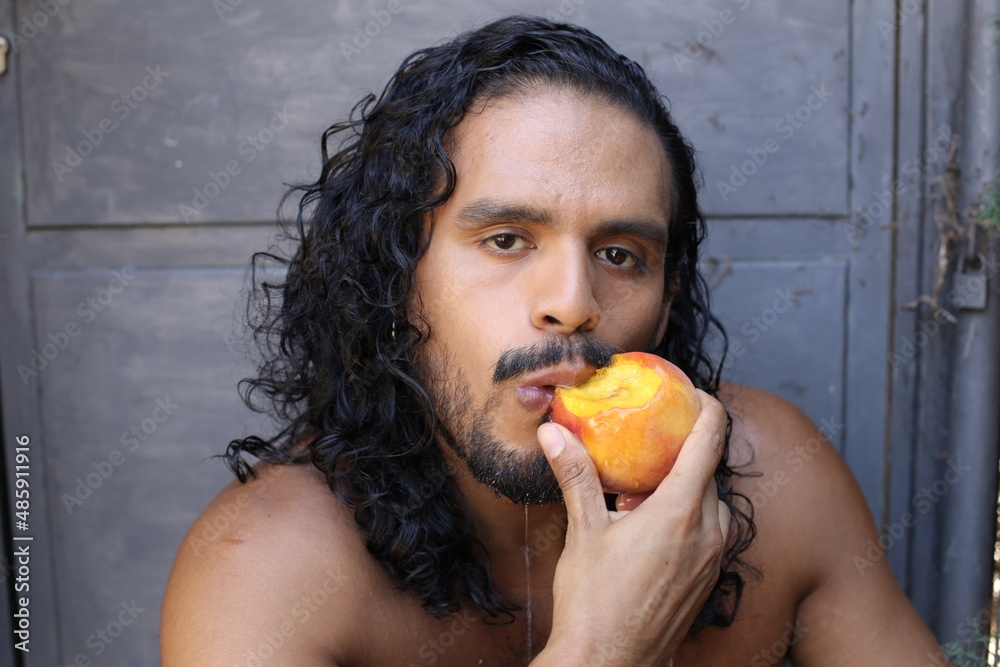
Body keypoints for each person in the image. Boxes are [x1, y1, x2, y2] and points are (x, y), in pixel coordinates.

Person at [161, 15, 945, 666]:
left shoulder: (781, 485)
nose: (572, 304)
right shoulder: (264, 573)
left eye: (620, 255)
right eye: (506, 239)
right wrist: (602, 649)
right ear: (397, 279)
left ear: (666, 302)